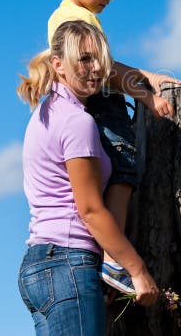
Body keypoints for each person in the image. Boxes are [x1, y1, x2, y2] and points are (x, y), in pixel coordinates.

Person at [47, 0, 181, 292]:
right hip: (103, 106)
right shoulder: (76, 20)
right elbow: (104, 70)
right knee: (123, 174)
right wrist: (145, 93)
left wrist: (147, 75)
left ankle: (110, 254)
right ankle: (113, 259)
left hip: (100, 105)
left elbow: (108, 65)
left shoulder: (74, 16)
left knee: (115, 178)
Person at [17, 20, 159, 336]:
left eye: (100, 59)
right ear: (58, 64)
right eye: (84, 59)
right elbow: (91, 211)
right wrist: (136, 270)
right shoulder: (77, 122)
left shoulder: (45, 114)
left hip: (38, 266)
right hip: (67, 263)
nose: (96, 69)